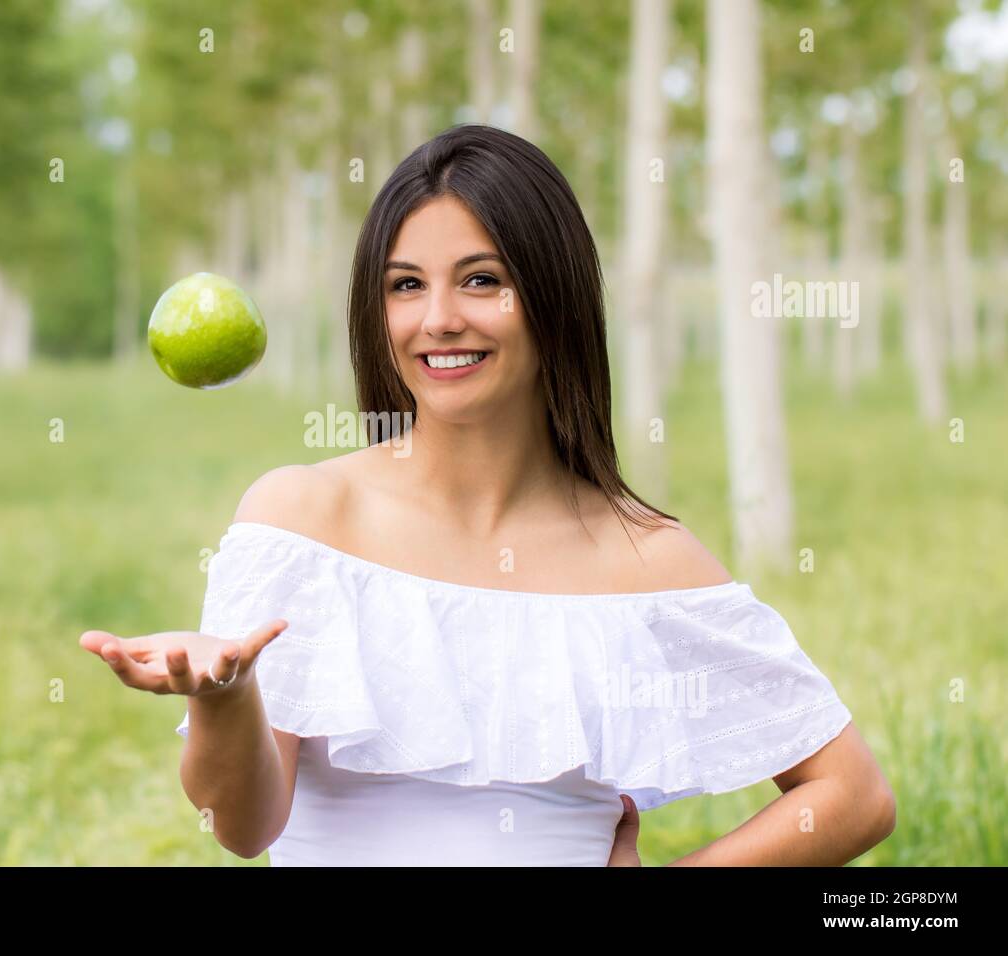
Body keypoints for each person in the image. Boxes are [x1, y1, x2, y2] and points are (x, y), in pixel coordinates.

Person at [79, 124, 896, 866]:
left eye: (481, 280)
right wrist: (227, 697)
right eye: (405, 286)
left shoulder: (645, 559)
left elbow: (852, 797)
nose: (437, 319)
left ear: (554, 298)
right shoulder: (302, 519)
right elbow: (243, 826)